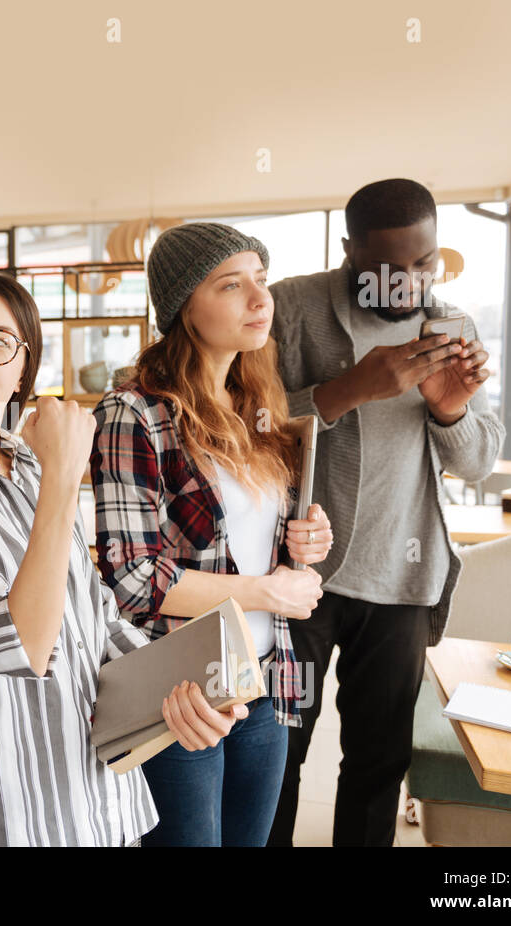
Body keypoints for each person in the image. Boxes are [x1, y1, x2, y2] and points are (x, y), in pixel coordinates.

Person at [0, 269, 241, 846]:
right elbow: (15, 643)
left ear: (23, 368)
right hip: (19, 819)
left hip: (107, 801)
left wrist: (179, 689)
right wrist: (67, 477)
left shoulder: (34, 465)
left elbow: (96, 614)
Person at [265, 179, 503, 847]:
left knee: (377, 767)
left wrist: (450, 409)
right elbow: (246, 429)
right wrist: (345, 391)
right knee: (277, 756)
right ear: (350, 252)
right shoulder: (293, 308)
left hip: (403, 581)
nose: (410, 283)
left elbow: (478, 460)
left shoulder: (455, 325)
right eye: (388, 269)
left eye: (424, 264)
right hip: (297, 581)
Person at [92, 222, 333, 846]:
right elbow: (132, 578)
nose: (260, 299)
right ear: (183, 310)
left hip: (264, 676)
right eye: (232, 284)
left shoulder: (255, 407)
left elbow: (254, 546)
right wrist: (264, 591)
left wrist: (303, 544)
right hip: (183, 693)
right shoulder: (133, 414)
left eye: (261, 279)